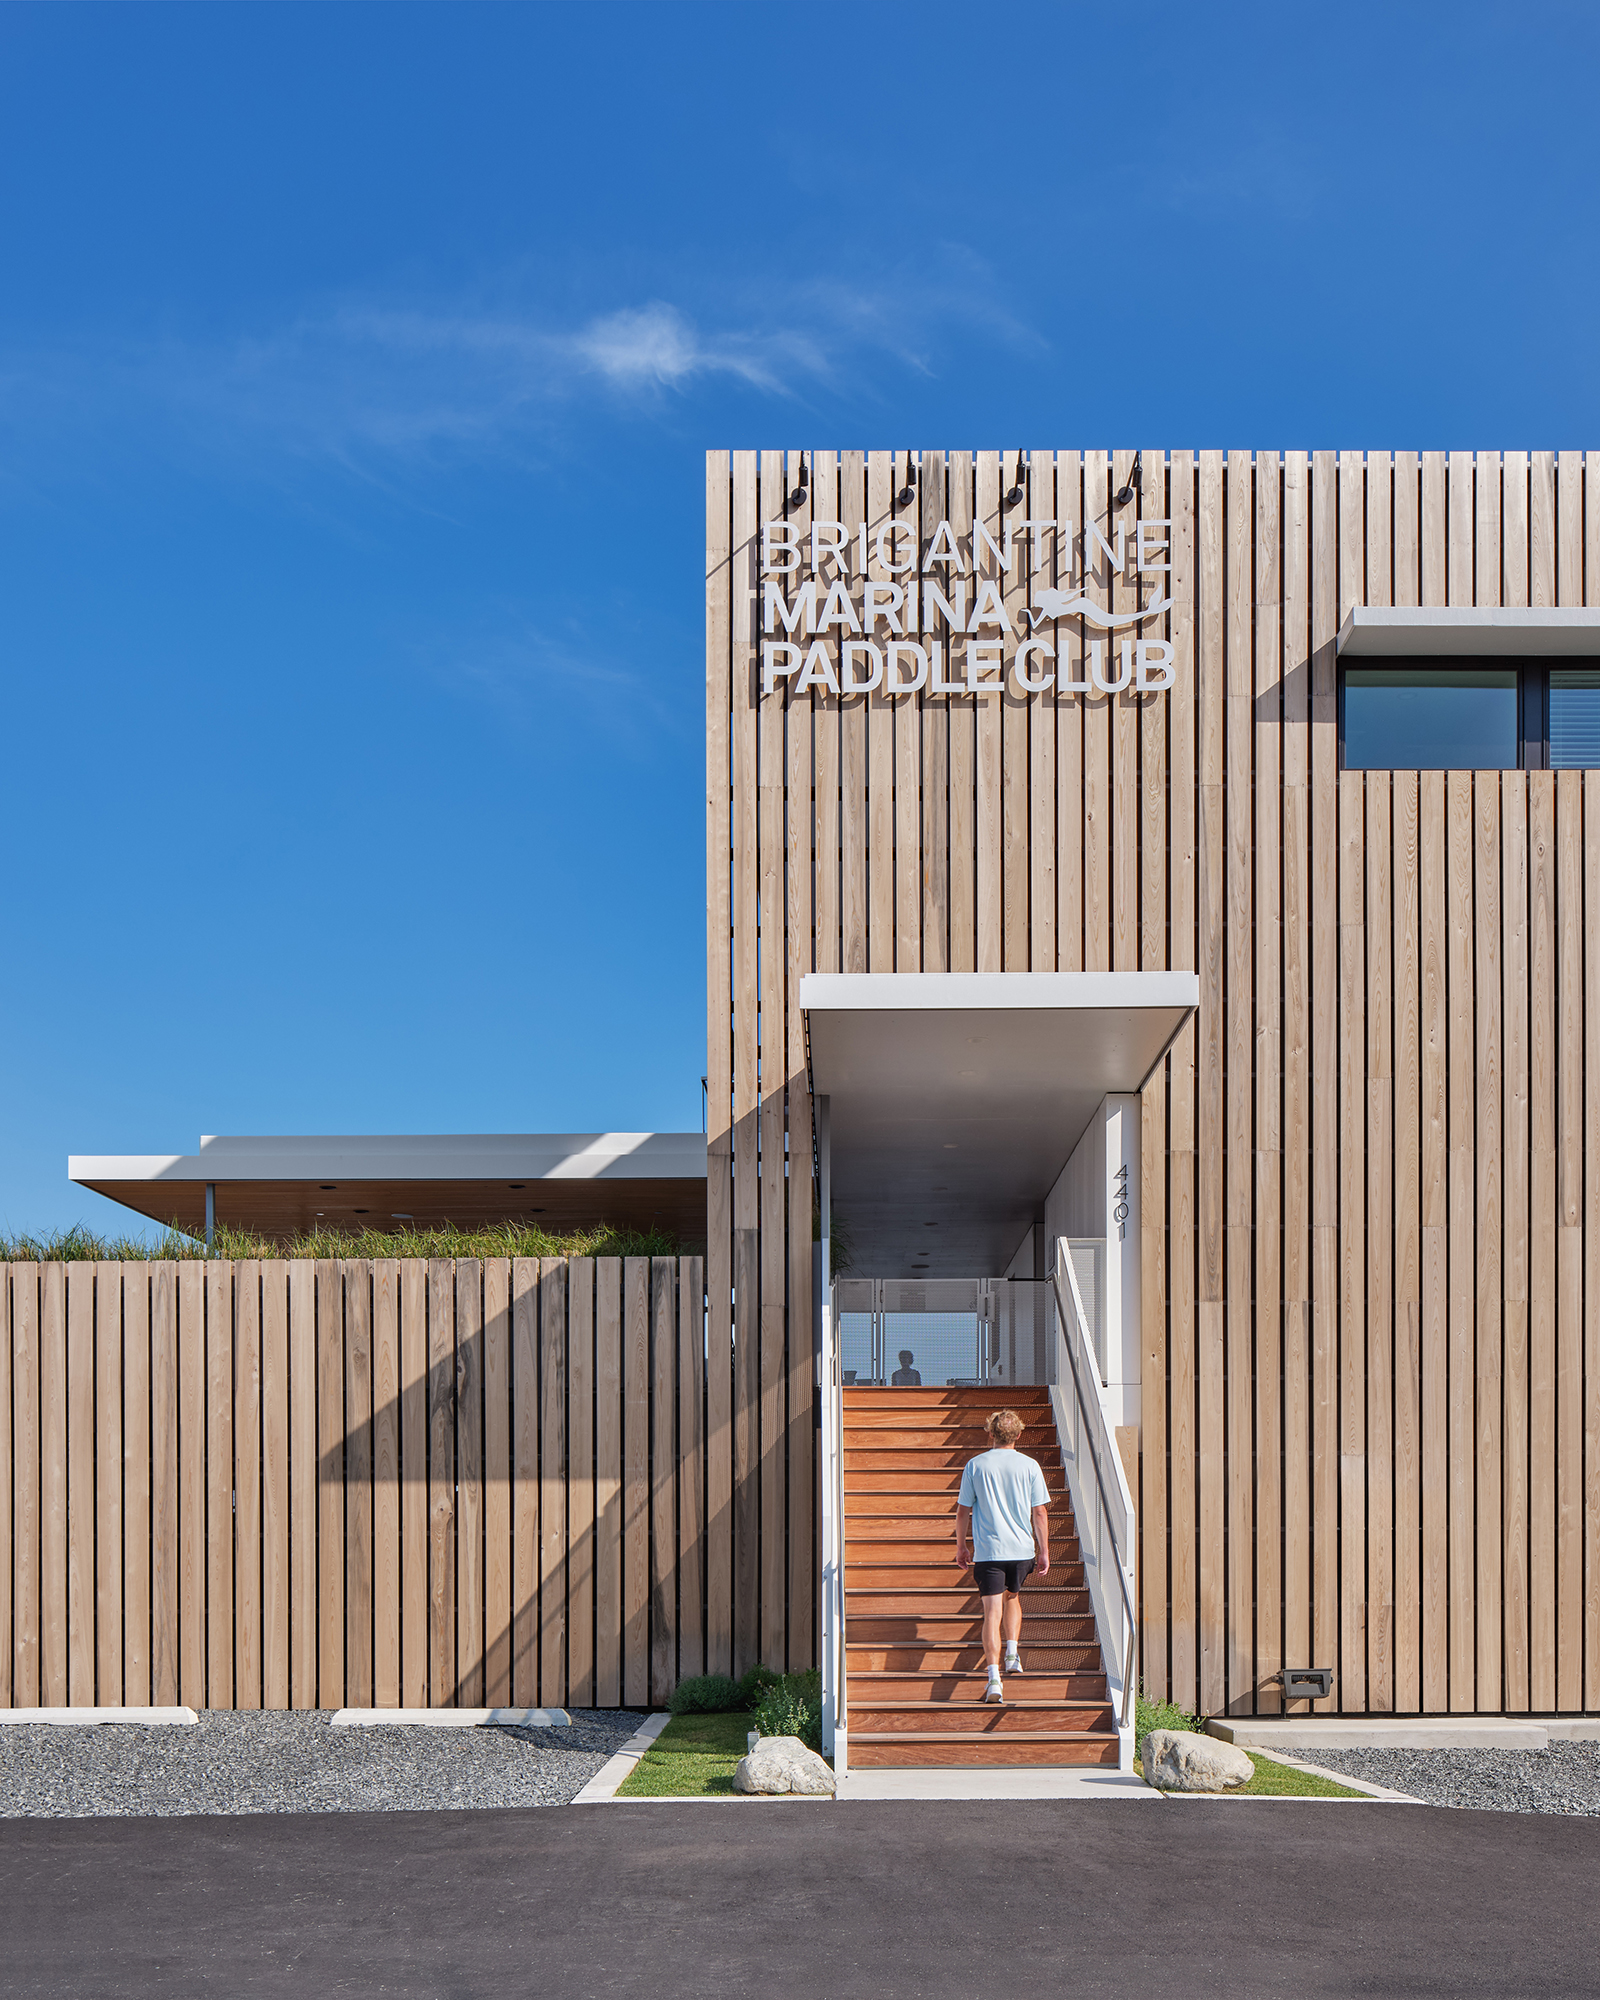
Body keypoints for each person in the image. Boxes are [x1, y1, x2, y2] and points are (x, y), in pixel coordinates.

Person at [954, 1408, 1050, 1703]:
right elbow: (1039, 1512)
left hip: (989, 1552)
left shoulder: (975, 1465)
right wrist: (1044, 1550)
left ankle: (994, 1679)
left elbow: (963, 1510)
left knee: (991, 1612)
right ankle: (1012, 1653)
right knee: (1013, 1598)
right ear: (1019, 1434)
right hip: (1021, 1550)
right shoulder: (1030, 1466)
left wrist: (961, 1546)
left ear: (990, 1433)